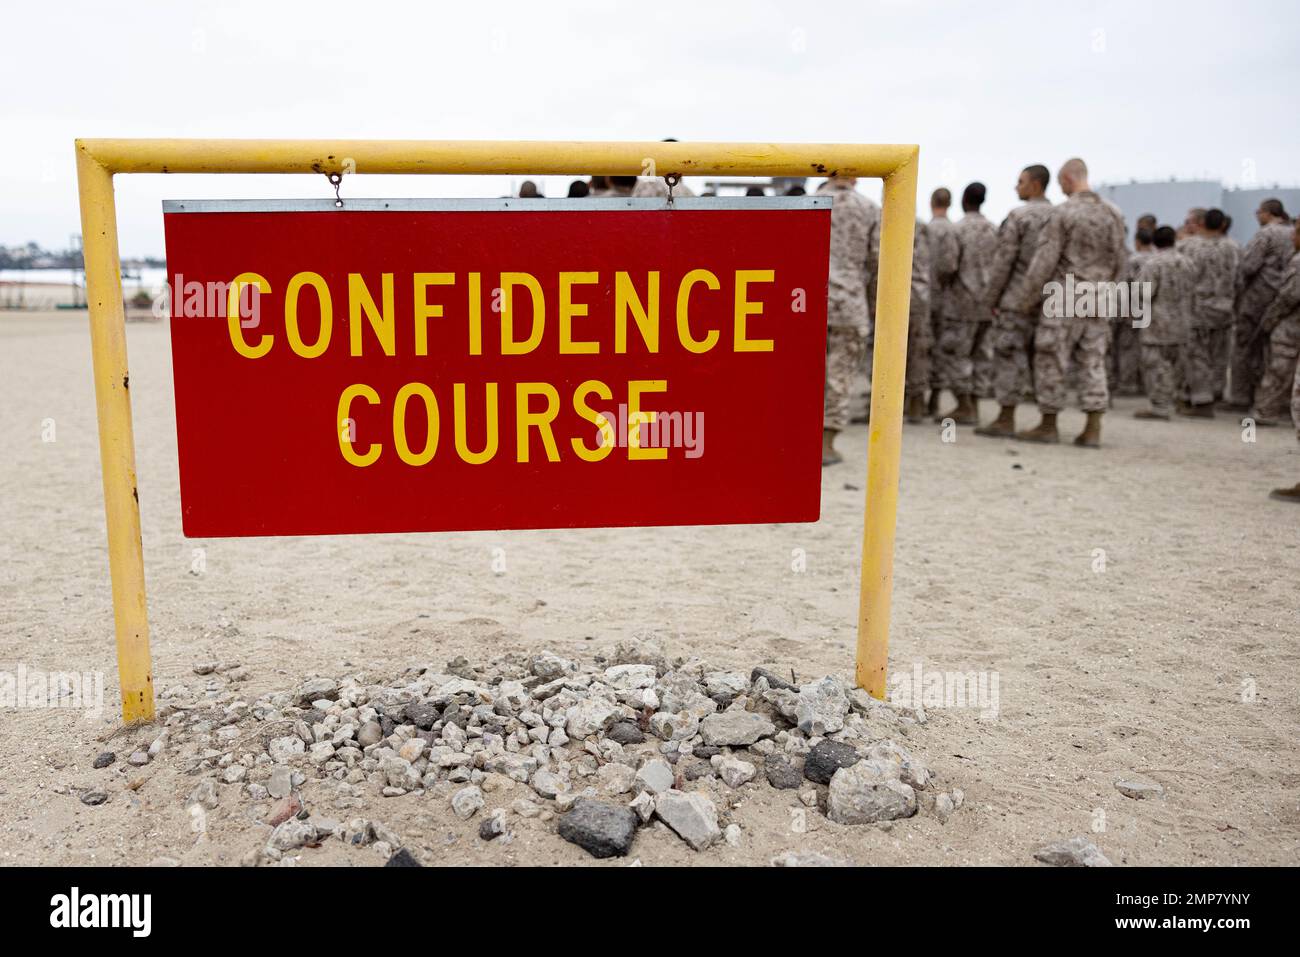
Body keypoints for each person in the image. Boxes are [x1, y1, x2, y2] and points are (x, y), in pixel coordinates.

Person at [1015, 158, 1127, 447]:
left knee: (1051, 357)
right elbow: (1121, 259)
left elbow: (1045, 260)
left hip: (1064, 297)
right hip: (1099, 296)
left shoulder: (1062, 212)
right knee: (1093, 359)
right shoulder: (1113, 213)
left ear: (1066, 179)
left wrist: (1026, 298)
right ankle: (1093, 427)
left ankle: (1049, 424)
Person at [975, 164, 1054, 437]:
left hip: (1015, 299)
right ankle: (1048, 422)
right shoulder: (1059, 215)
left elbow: (1003, 263)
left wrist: (989, 299)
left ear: (1035, 184)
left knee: (1008, 355)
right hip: (1050, 301)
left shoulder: (1019, 217)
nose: (1016, 187)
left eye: (1020, 182)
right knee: (1046, 359)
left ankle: (1006, 417)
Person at [816, 174, 880, 465]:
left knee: (804, 375)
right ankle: (827, 444)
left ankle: (797, 437)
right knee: (840, 375)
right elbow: (879, 261)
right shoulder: (869, 208)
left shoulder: (813, 201)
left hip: (809, 298)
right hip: (851, 302)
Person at [935, 182, 997, 424]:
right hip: (987, 303)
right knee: (981, 354)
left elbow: (947, 266)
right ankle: (976, 404)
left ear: (964, 200)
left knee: (957, 354)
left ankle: (964, 405)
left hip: (961, 302)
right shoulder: (993, 229)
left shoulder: (957, 230)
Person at [1226, 199, 1293, 410]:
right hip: (1283, 300)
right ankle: (1272, 400)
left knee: (1245, 348)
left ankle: (1240, 397)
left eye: (1259, 212)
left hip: (1257, 300)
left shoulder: (1266, 234)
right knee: (1274, 352)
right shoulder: (1292, 232)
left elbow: (1248, 266)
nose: (1257, 216)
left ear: (1268, 213)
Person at [1178, 207, 1238, 414]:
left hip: (1198, 309)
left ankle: (1202, 400)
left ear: (1201, 223)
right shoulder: (1233, 248)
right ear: (1222, 224)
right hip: (1225, 309)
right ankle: (1215, 392)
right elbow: (1242, 277)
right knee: (1220, 355)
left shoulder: (1188, 247)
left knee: (1197, 355)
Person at [1133, 226, 1191, 420]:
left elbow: (1145, 293)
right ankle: (1173, 399)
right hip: (1183, 321)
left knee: (1155, 365)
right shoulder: (1188, 262)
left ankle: (1159, 406)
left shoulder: (1153, 263)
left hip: (1158, 322)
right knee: (1176, 365)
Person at [1250, 219, 1300, 425]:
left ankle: (1266, 412)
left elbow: (1287, 297)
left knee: (1278, 369)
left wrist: (1268, 322)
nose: (1292, 237)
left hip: (1291, 327)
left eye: (1296, 233)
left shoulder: (1298, 262)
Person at [924, 188, 960, 418]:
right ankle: (934, 399)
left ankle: (911, 399)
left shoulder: (926, 229)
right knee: (938, 348)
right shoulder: (953, 230)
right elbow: (950, 266)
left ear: (931, 202)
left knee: (918, 348)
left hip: (922, 294)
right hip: (944, 296)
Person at [1110, 226, 1154, 397]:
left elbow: (1124, 285)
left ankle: (1127, 383)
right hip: (1152, 310)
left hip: (1131, 308)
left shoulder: (1132, 260)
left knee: (1127, 348)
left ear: (1137, 241)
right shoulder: (1156, 258)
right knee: (1144, 347)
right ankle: (1143, 383)